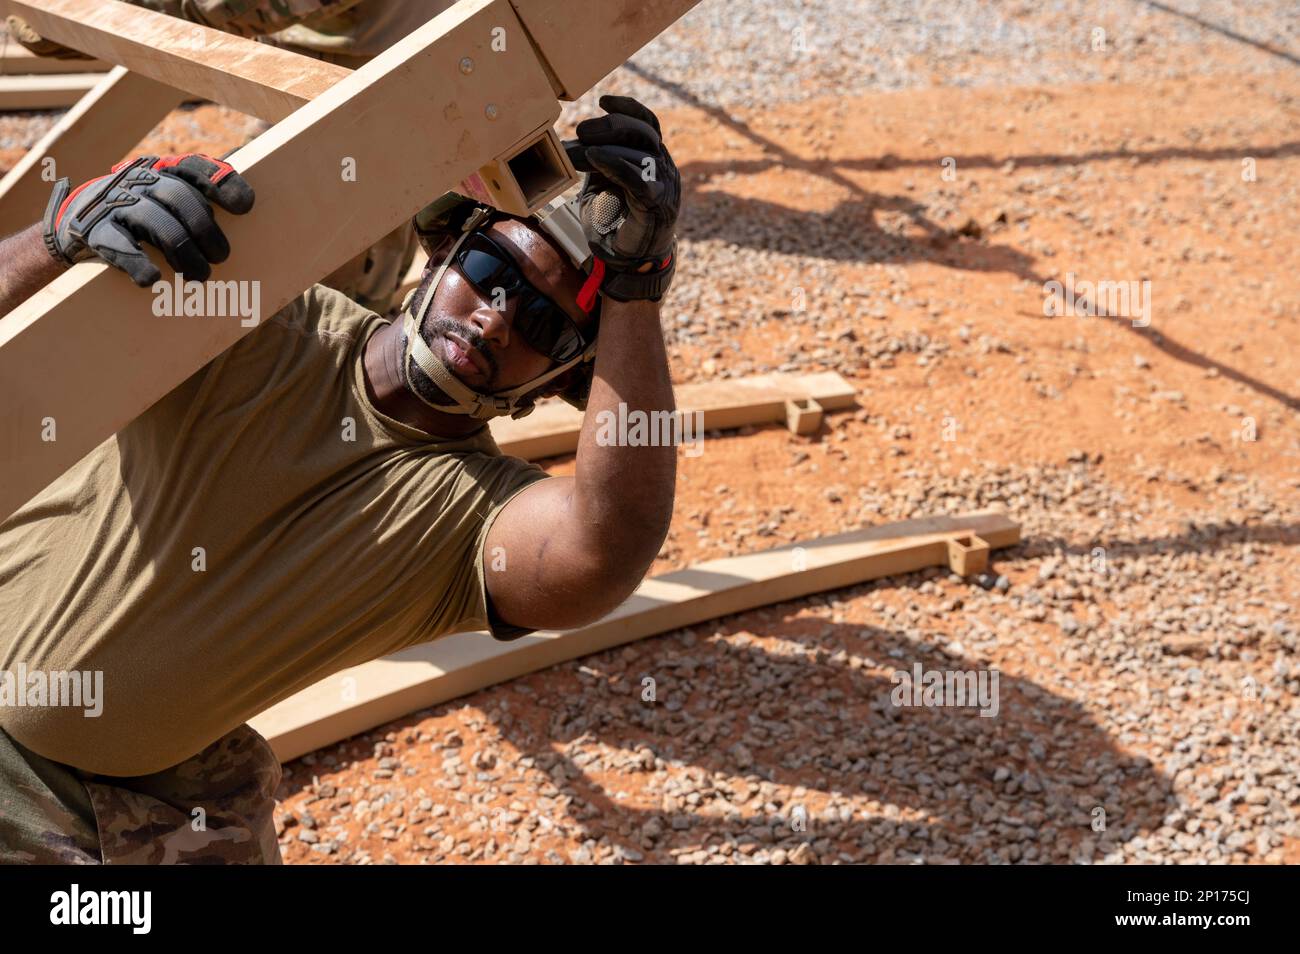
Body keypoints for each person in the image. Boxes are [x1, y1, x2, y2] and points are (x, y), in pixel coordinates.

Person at [0, 95, 680, 864]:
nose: (496, 319)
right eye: (496, 273)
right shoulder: (256, 319)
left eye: (544, 327)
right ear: (443, 252)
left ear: (553, 385)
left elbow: (603, 552)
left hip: (114, 818)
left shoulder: (467, 516)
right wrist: (54, 243)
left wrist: (636, 292)